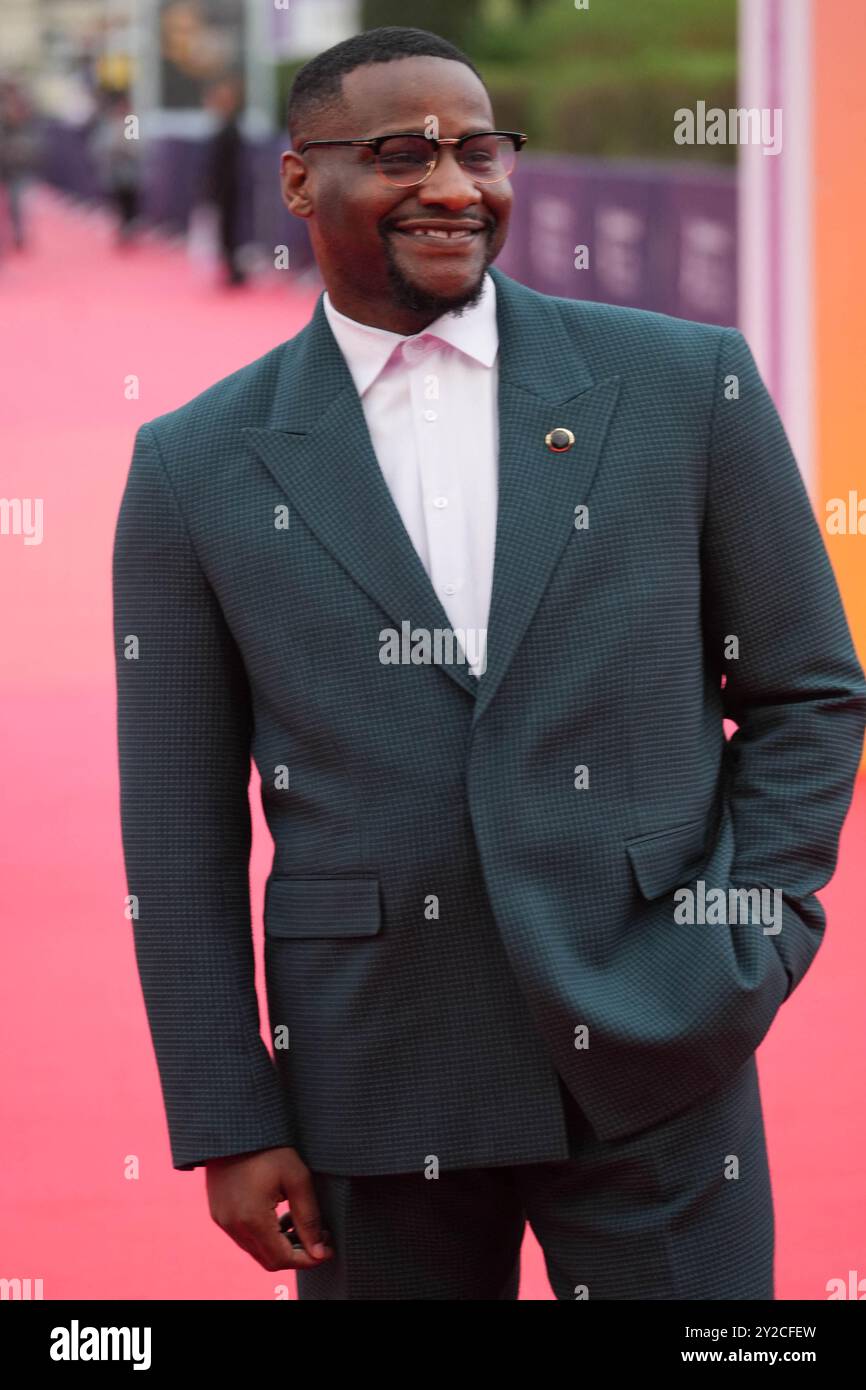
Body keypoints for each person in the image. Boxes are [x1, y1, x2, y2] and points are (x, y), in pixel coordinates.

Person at [112, 26, 866, 1301]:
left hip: (657, 1047)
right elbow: (175, 827)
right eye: (399, 153)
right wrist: (227, 1115)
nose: (453, 185)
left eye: (478, 150)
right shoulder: (194, 466)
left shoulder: (685, 385)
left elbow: (806, 690)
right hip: (368, 1066)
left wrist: (749, 939)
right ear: (299, 181)